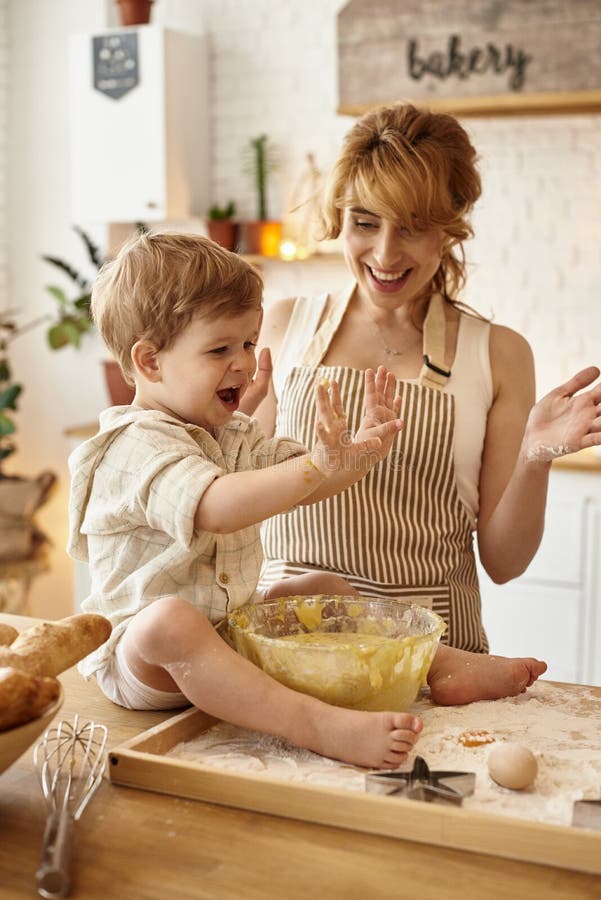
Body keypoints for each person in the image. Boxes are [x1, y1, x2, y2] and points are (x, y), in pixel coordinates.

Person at [67, 232, 547, 771]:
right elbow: (216, 505)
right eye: (220, 349)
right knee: (169, 621)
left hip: (224, 639)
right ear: (150, 362)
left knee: (323, 588)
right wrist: (317, 462)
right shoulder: (134, 445)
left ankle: (440, 665)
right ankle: (317, 725)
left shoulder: (231, 433)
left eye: (248, 344)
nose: (244, 365)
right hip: (145, 660)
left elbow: (310, 480)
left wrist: (357, 454)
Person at [246, 102, 601, 659]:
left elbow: (505, 564)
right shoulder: (285, 327)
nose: (385, 253)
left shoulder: (498, 354)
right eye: (365, 223)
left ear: (449, 231)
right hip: (289, 648)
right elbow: (231, 506)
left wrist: (536, 455)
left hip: (434, 665)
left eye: (412, 228)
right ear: (341, 219)